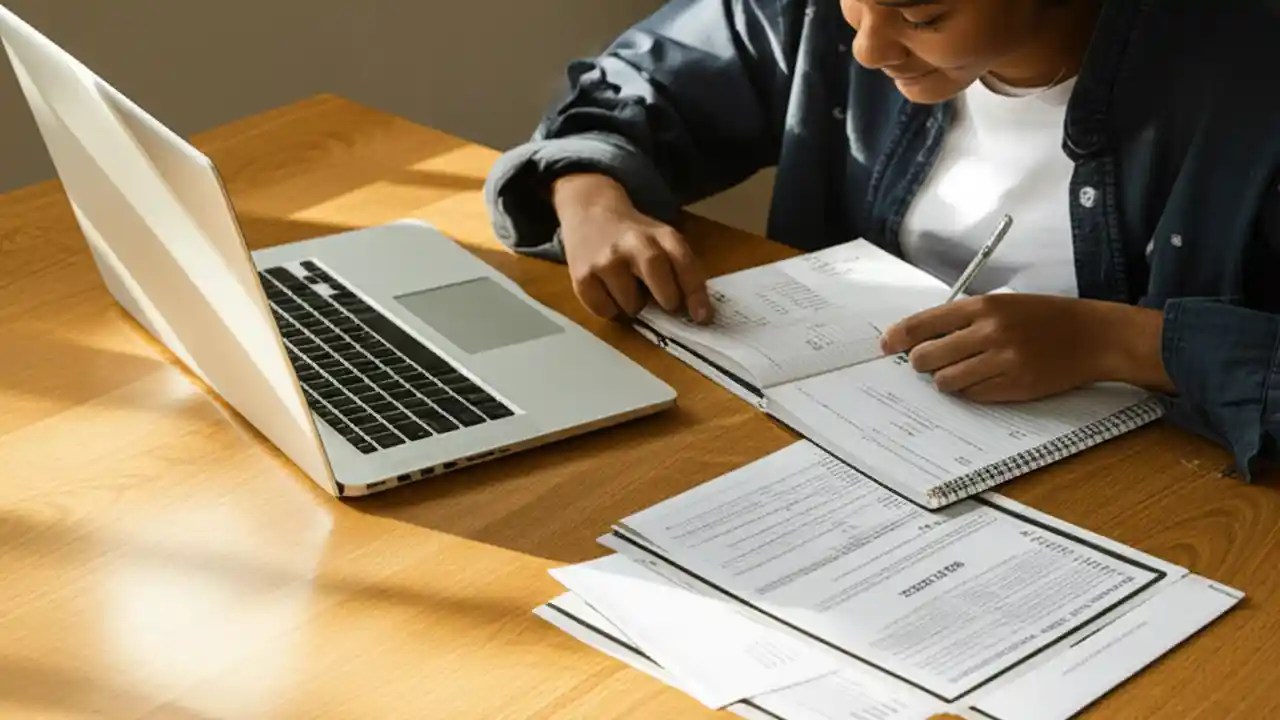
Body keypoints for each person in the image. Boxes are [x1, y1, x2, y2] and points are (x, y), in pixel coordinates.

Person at [482, 0, 1280, 478]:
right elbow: (641, 86)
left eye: (923, 15)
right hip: (852, 460)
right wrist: (590, 197)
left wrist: (1131, 346)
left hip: (1162, 508)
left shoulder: (1248, 72)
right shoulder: (840, 20)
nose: (866, 47)